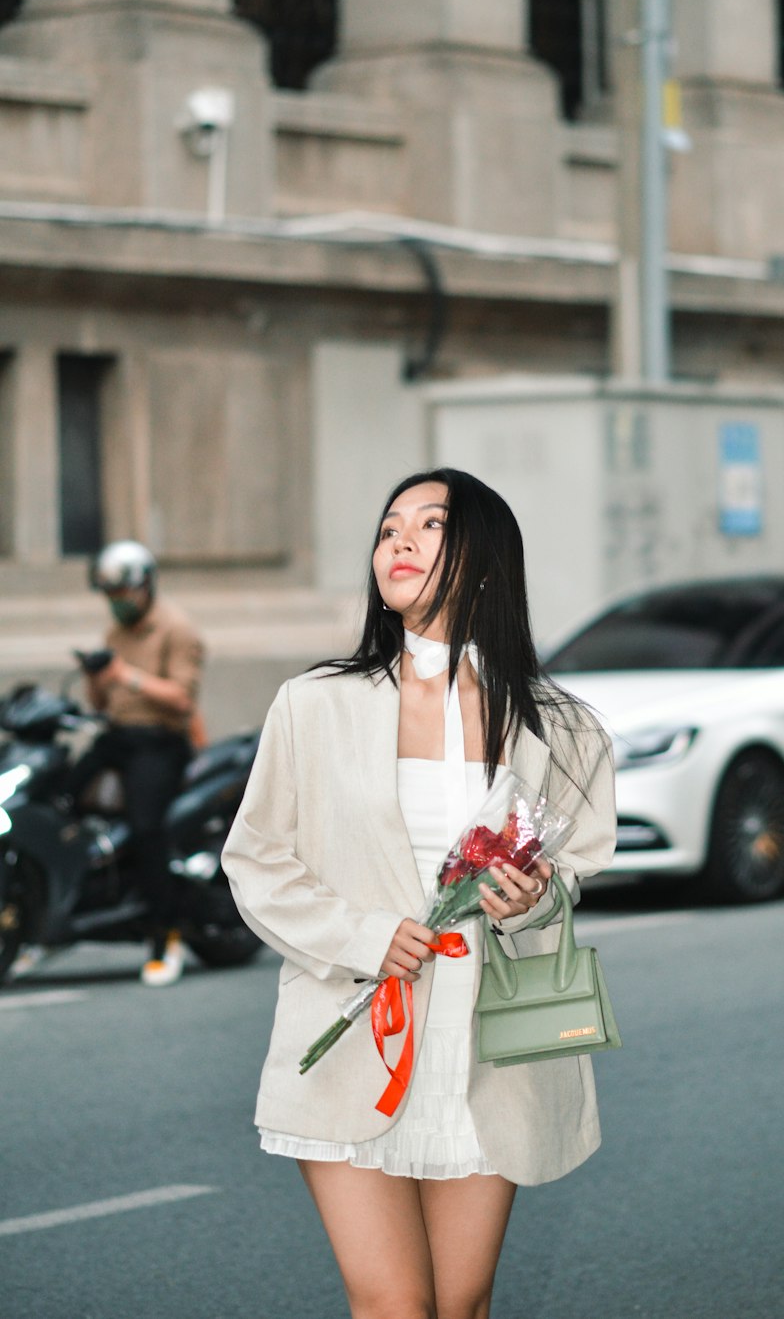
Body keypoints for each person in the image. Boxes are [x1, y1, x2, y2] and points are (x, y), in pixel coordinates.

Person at [222, 469, 616, 1319]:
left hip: (491, 1042)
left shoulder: (561, 726)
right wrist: (363, 934)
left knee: (462, 1303)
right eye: (389, 527)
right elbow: (256, 859)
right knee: (395, 1305)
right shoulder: (315, 705)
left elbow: (575, 863)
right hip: (360, 1026)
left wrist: (533, 897)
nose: (398, 540)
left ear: (483, 559)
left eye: (429, 525)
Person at [83, 540, 206, 987]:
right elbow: (101, 701)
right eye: (110, 597)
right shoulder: (115, 634)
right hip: (117, 736)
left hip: (160, 741)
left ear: (145, 586)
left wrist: (124, 675)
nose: (116, 604)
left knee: (146, 826)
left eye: (123, 595)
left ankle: (165, 934)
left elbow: (182, 697)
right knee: (62, 796)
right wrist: (95, 679)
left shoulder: (177, 629)